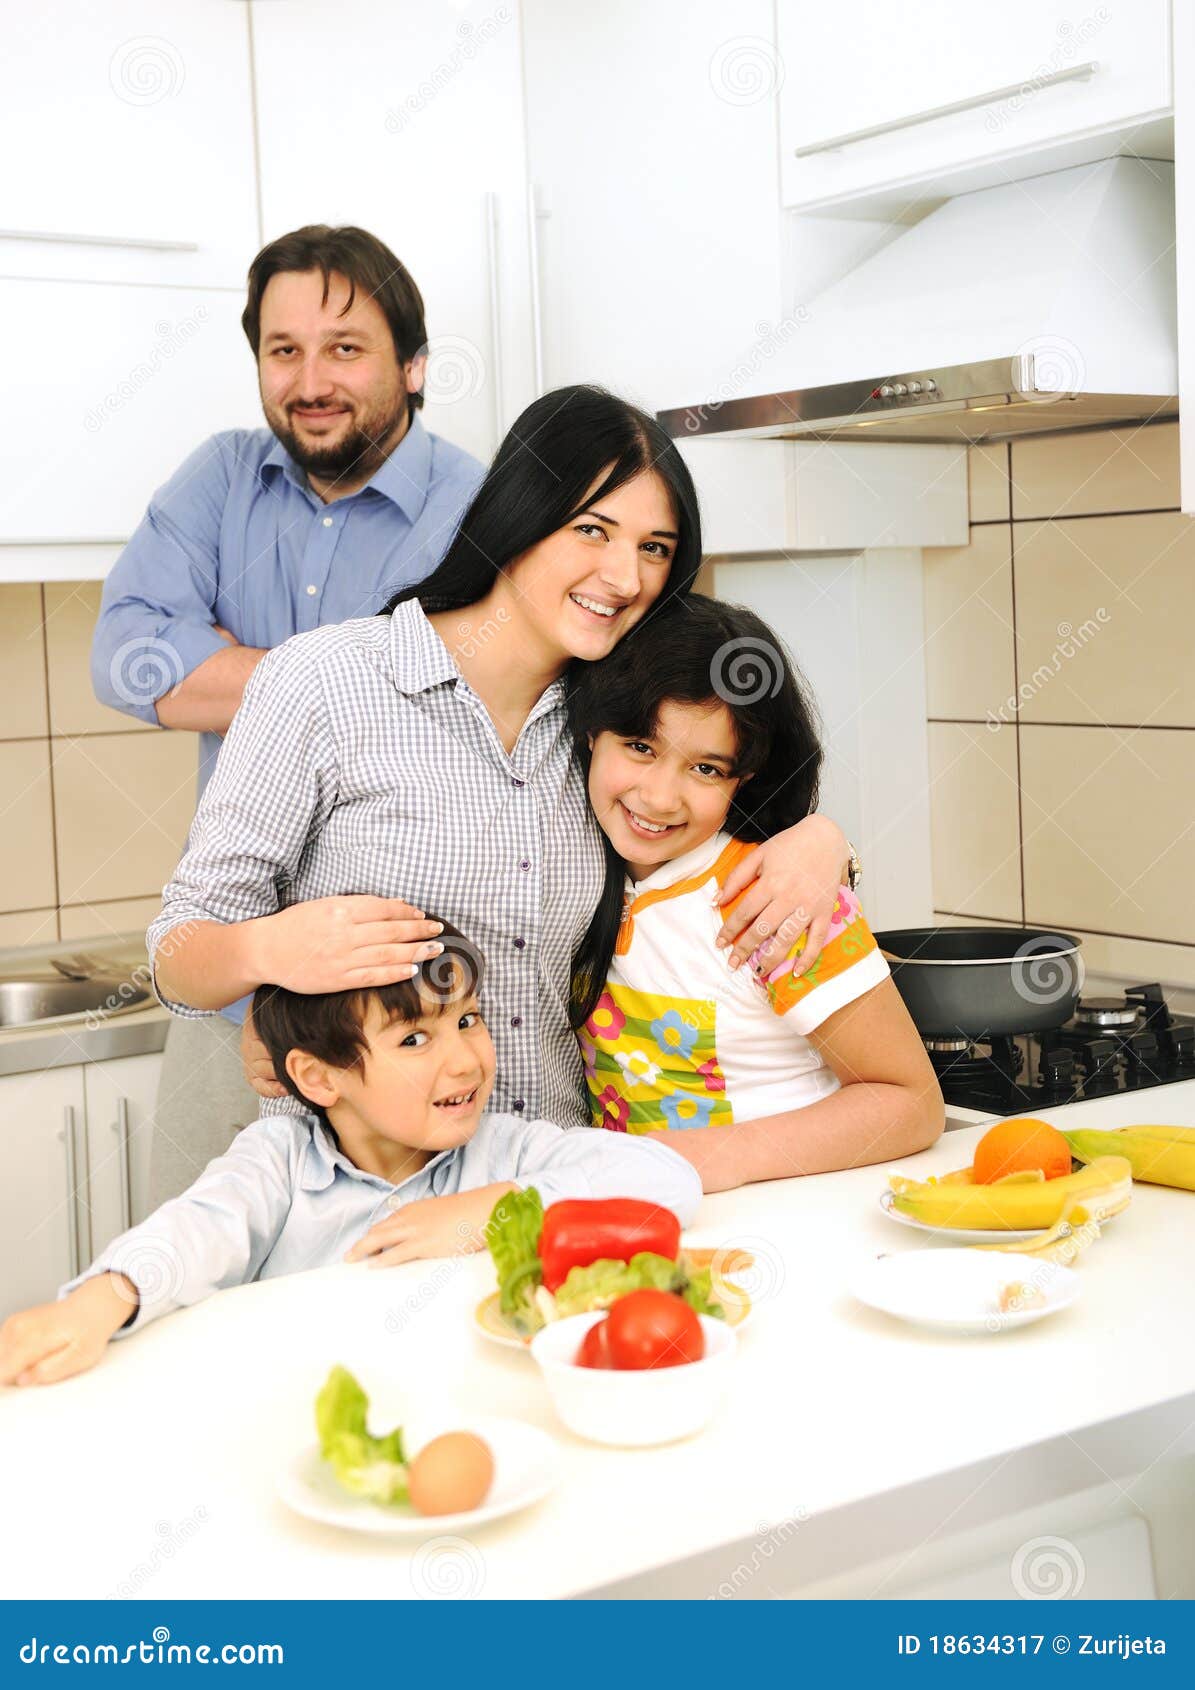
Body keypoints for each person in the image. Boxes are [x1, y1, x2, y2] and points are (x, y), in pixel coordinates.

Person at [146, 386, 854, 1162]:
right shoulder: (323, 682)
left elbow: (712, 835)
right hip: (362, 1201)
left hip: (550, 1185)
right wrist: (267, 952)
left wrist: (819, 839)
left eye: (654, 547)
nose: (623, 575)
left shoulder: (616, 725)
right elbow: (178, 957)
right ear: (519, 517)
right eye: (592, 530)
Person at [91, 225, 487, 1203]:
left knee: (392, 1306)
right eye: (283, 350)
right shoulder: (221, 479)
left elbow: (478, 702)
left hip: (409, 1016)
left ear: (414, 363)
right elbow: (125, 656)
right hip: (224, 984)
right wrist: (365, 676)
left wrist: (225, 662)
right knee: (186, 1294)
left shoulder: (480, 508)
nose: (310, 379)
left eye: (345, 348)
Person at [0, 926, 700, 1388]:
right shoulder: (278, 1163)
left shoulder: (505, 1150)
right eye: (414, 1041)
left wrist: (486, 1210)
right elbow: (195, 1230)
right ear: (318, 1077)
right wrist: (102, 1301)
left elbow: (664, 1179)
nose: (463, 1059)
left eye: (467, 1021)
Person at [567, 594, 944, 1192]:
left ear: (745, 779)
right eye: (640, 747)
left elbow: (912, 1101)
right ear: (592, 733)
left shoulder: (778, 898)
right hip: (655, 1224)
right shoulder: (573, 869)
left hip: (783, 1225)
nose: (661, 797)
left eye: (706, 769)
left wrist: (705, 1159)